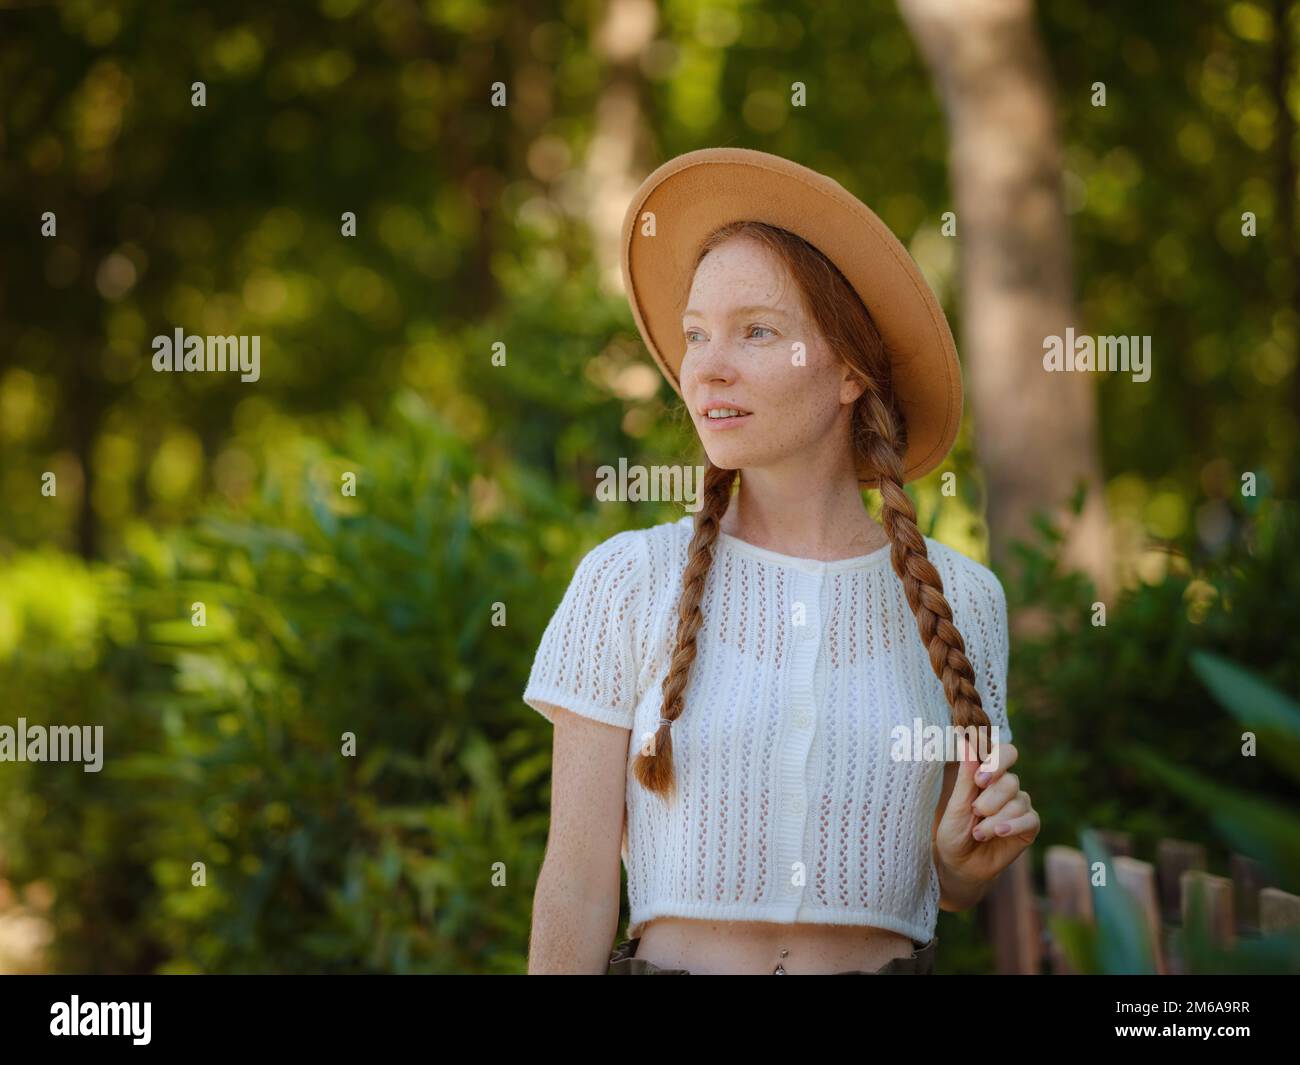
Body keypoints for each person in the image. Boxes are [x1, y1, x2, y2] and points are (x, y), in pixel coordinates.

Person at [524, 148, 1039, 975]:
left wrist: (959, 866)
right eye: (696, 335)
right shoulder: (626, 580)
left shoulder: (964, 600)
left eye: (755, 331)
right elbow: (576, 883)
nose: (706, 366)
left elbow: (948, 886)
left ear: (846, 370)